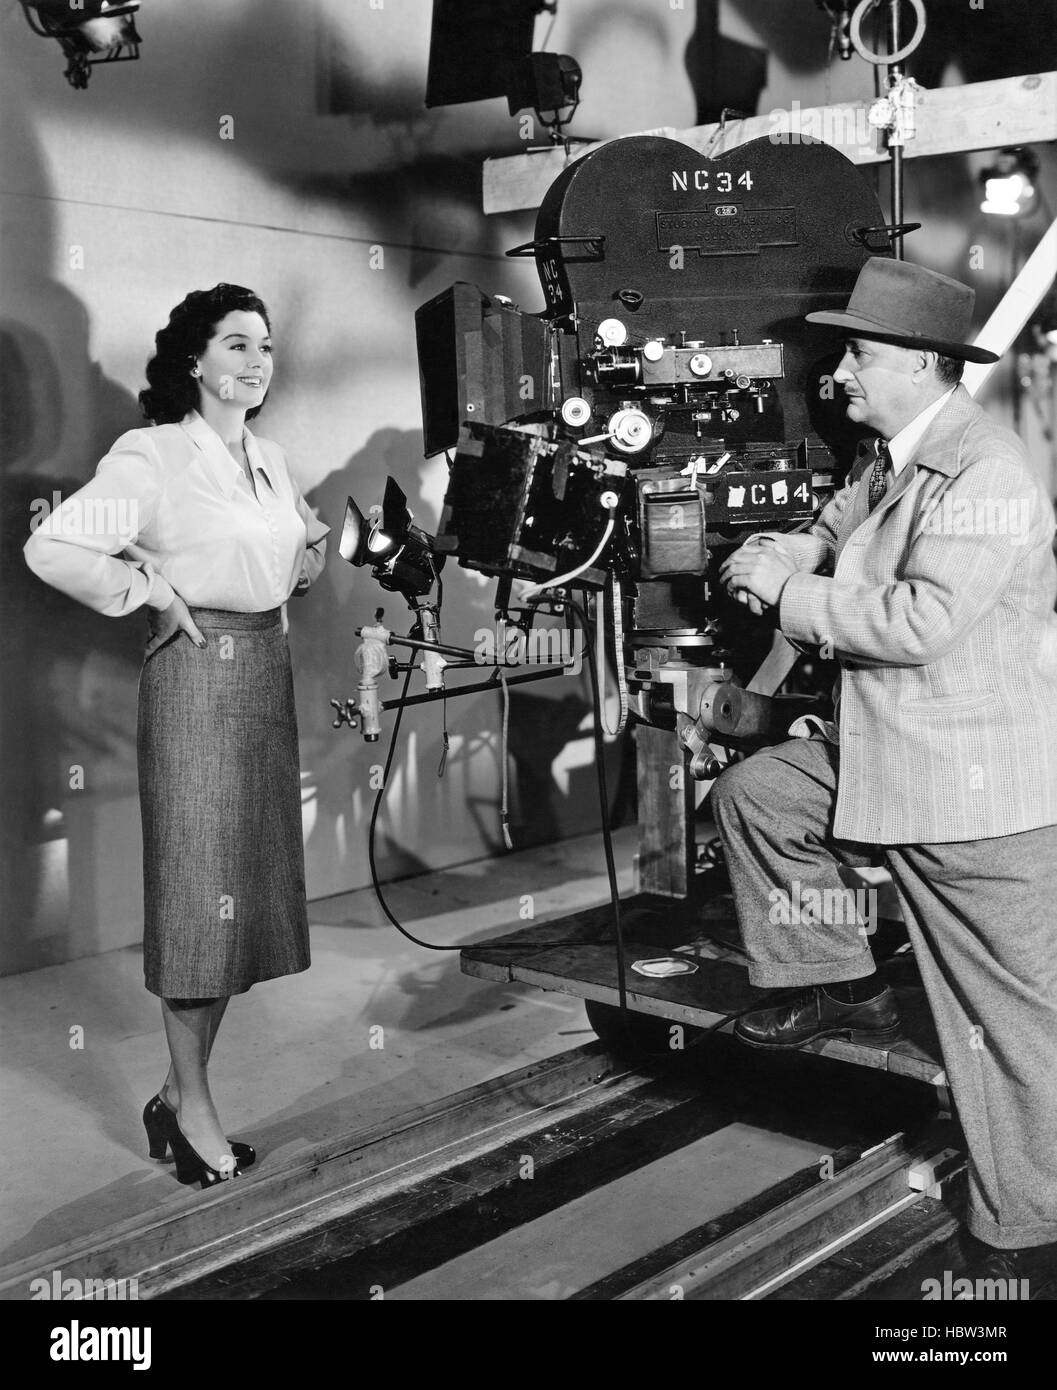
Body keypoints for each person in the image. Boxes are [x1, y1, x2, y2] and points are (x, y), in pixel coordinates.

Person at [712, 257, 1057, 1284]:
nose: (839, 373)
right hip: (882, 756)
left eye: (857, 354)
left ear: (915, 362)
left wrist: (784, 598)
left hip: (972, 792)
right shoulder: (890, 456)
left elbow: (920, 620)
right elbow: (837, 524)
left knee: (1009, 1030)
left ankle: (1025, 1234)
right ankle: (834, 975)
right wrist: (788, 544)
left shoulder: (986, 470)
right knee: (758, 797)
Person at [24, 284, 329, 1189]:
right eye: (235, 345)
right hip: (199, 680)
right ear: (193, 360)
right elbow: (55, 547)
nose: (255, 362)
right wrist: (151, 592)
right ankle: (193, 1108)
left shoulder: (268, 457)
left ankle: (171, 1093)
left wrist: (308, 555)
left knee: (245, 894)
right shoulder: (153, 453)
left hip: (263, 671)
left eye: (265, 347)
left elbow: (286, 561)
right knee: (201, 898)